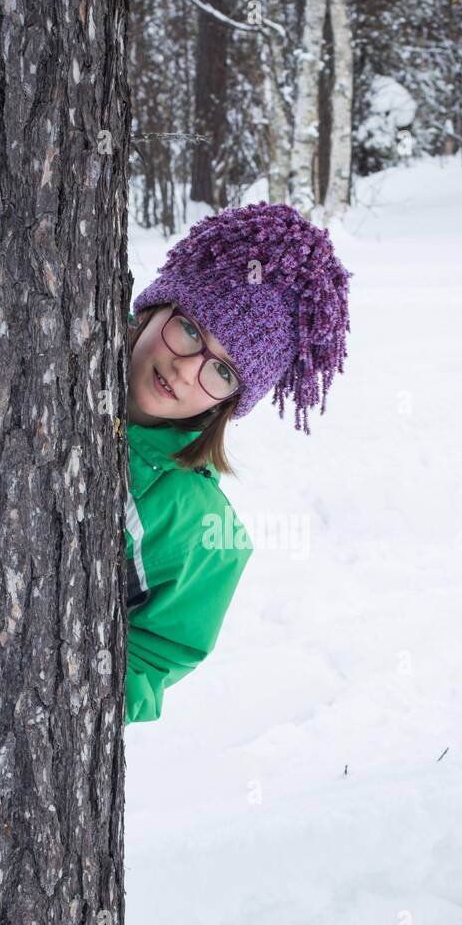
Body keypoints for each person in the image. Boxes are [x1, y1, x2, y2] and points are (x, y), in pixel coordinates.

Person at [124, 200, 352, 725]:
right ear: (157, 305)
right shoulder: (50, 338)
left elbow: (154, 656)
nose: (186, 372)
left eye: (223, 372)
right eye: (191, 331)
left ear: (229, 403)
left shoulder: (196, 525)